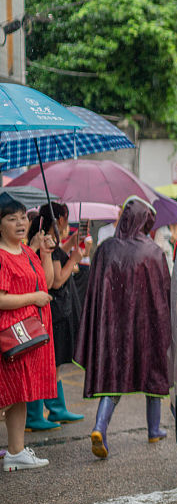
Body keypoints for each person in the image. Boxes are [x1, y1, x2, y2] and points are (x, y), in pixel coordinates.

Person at [75, 197, 173, 458]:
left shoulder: (106, 249)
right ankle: (154, 430)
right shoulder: (153, 251)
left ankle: (99, 427)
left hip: (113, 327)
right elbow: (164, 293)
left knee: (113, 377)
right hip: (146, 326)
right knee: (153, 373)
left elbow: (95, 290)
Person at [0, 192, 56, 471]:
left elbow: (47, 282)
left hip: (29, 334)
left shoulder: (26, 251)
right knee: (8, 393)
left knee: (18, 393)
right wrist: (32, 299)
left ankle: (15, 451)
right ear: (0, 224)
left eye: (23, 217)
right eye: (12, 218)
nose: (21, 223)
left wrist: (45, 253)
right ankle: (14, 450)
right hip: (10, 334)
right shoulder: (1, 256)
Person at [24, 203, 87, 431]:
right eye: (66, 219)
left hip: (55, 311)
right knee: (47, 364)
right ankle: (37, 413)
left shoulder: (49, 241)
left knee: (53, 364)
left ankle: (56, 408)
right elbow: (55, 280)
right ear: (60, 219)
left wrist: (72, 245)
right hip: (53, 311)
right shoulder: (45, 244)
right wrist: (74, 259)